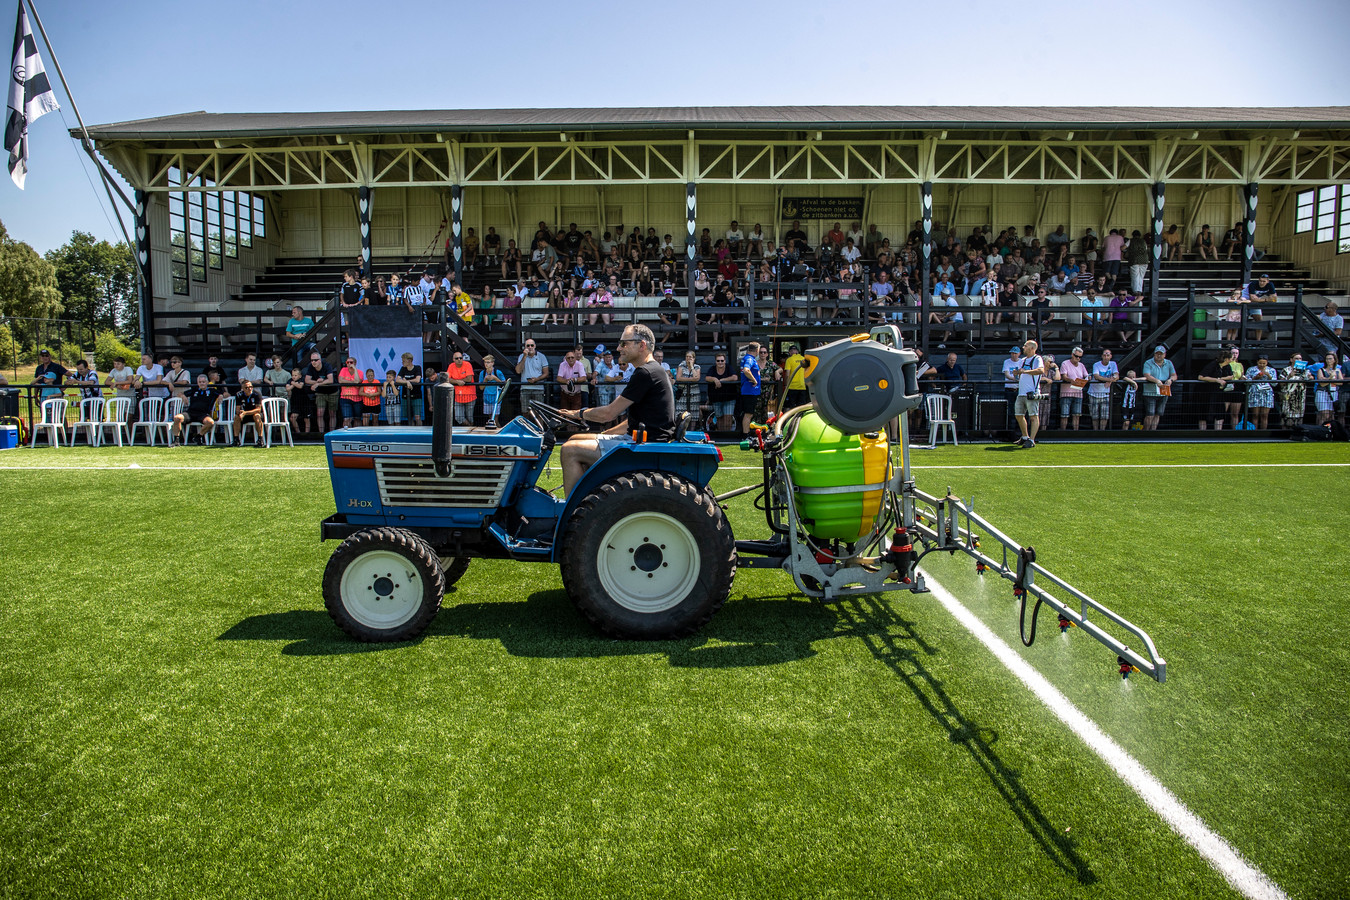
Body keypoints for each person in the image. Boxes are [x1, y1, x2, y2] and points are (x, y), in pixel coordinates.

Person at [560, 324, 675, 497]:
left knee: (569, 450)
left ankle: (571, 512)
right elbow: (633, 420)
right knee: (576, 438)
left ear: (641, 345)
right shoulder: (651, 370)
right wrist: (604, 435)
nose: (618, 348)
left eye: (624, 343)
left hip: (644, 447)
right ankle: (588, 500)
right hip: (642, 440)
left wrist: (577, 414)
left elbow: (608, 414)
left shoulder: (646, 372)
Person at [1197, 348, 1240, 430]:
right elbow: (1201, 377)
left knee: (1220, 413)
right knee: (1204, 413)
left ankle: (1218, 432)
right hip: (1207, 393)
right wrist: (1216, 380)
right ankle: (1202, 433)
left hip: (1219, 393)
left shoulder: (1227, 366)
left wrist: (1220, 378)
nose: (1232, 359)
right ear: (1226, 359)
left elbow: (1231, 376)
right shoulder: (1213, 364)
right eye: (1230, 358)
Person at [171, 374, 220, 446]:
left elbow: (225, 394)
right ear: (197, 383)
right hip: (190, 413)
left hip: (203, 414)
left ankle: (198, 436)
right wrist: (183, 396)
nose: (202, 384)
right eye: (200, 382)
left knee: (210, 422)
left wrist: (221, 396)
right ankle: (176, 440)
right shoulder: (194, 390)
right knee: (177, 418)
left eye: (203, 382)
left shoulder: (212, 391)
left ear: (207, 382)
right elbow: (180, 393)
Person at [1014, 340, 1045, 448]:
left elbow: (1041, 370)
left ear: (1032, 348)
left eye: (1025, 346)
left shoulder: (1037, 359)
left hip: (1032, 392)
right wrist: (1016, 373)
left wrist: (1024, 372)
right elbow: (1019, 374)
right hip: (1021, 392)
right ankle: (1024, 436)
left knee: (1033, 416)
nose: (1023, 347)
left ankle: (1032, 440)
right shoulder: (1022, 360)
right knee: (1018, 415)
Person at [1141, 345, 1177, 431]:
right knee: (1150, 413)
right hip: (1150, 392)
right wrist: (1156, 381)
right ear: (1154, 354)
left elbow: (1174, 375)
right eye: (1157, 354)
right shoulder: (1148, 363)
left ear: (1164, 354)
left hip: (1164, 391)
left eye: (1161, 354)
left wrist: (1170, 380)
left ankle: (1153, 432)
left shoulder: (1169, 363)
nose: (1159, 355)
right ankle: (1145, 433)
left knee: (1158, 413)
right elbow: (1147, 375)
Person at [304, 350, 337, 433]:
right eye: (312, 360)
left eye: (315, 360)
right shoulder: (310, 367)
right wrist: (317, 382)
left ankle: (331, 433)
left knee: (332, 413)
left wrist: (318, 384)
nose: (313, 362)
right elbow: (307, 380)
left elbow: (330, 380)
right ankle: (321, 433)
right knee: (319, 413)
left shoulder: (327, 366)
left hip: (332, 392)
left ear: (320, 360)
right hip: (321, 392)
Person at [704, 353, 738, 432]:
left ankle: (727, 435)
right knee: (719, 418)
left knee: (728, 418)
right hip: (716, 398)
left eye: (722, 360)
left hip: (729, 397)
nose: (720, 362)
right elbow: (707, 378)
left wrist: (722, 380)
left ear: (725, 361)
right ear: (715, 361)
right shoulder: (712, 369)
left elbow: (735, 377)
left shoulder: (729, 368)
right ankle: (720, 434)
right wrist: (715, 379)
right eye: (718, 361)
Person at [1058, 348, 1089, 431]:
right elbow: (1064, 376)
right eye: (1076, 356)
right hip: (1066, 393)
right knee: (1064, 415)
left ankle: (1076, 433)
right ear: (1072, 354)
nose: (1078, 358)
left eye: (1080, 357)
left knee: (1077, 415)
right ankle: (1062, 433)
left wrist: (1088, 378)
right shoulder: (1065, 363)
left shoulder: (1081, 365)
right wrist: (1070, 380)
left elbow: (1086, 375)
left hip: (1078, 393)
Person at [1088, 348, 1118, 431]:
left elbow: (1117, 375)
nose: (1106, 356)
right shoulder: (1096, 364)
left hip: (1106, 393)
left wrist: (1111, 380)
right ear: (1102, 356)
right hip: (1094, 393)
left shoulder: (1113, 364)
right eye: (1104, 355)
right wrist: (1109, 380)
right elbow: (1097, 376)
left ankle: (1102, 431)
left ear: (1111, 356)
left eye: (1108, 355)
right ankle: (1095, 431)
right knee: (1095, 416)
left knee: (1104, 416)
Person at [516, 339, 550, 412]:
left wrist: (536, 379)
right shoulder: (521, 356)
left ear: (535, 346)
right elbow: (518, 371)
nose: (530, 347)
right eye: (528, 345)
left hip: (538, 388)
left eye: (532, 345)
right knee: (525, 412)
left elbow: (546, 373)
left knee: (539, 412)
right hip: (525, 388)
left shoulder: (541, 356)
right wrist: (524, 357)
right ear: (525, 347)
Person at [1278, 353, 1311, 428]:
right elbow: (1281, 383)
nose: (1299, 360)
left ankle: (1298, 432)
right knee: (1287, 415)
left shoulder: (1305, 370)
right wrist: (1289, 376)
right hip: (1288, 396)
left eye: (1300, 359)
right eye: (1296, 358)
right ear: (1291, 359)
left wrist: (1310, 377)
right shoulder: (1286, 370)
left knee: (1299, 415)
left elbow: (1309, 379)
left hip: (1300, 396)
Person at [1245, 353, 1276, 430]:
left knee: (1264, 415)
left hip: (1267, 393)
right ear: (1257, 362)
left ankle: (1263, 431)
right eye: (1260, 363)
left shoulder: (1271, 370)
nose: (1262, 365)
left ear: (1267, 362)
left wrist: (1268, 376)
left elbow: (1275, 383)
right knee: (1255, 414)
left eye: (1264, 363)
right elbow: (1246, 382)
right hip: (1255, 392)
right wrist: (1255, 377)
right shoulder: (1251, 369)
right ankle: (1254, 432)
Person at [444, 352, 476, 425]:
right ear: (453, 359)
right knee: (458, 417)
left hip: (470, 395)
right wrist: (457, 381)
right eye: (457, 358)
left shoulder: (467, 364)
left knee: (470, 418)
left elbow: (469, 379)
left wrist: (457, 381)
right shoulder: (451, 366)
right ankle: (469, 428)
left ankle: (469, 430)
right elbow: (447, 379)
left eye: (460, 358)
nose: (459, 360)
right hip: (458, 396)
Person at [232, 379, 265, 447]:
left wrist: (245, 413)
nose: (249, 389)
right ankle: (236, 440)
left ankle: (260, 439)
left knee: (257, 416)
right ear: (242, 388)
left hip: (253, 413)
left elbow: (258, 409)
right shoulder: (239, 395)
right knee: (236, 417)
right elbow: (237, 409)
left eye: (251, 387)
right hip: (244, 414)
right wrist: (240, 413)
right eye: (246, 388)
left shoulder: (257, 394)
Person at [738, 341, 761, 436]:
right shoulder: (750, 359)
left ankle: (746, 434)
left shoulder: (747, 358)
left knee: (749, 414)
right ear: (757, 350)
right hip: (750, 391)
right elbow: (746, 370)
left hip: (749, 391)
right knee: (748, 414)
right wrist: (754, 380)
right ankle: (745, 435)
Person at [1314, 352, 1343, 425]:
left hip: (1333, 393)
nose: (1328, 360)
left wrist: (1327, 380)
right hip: (1322, 393)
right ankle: (1321, 430)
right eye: (1327, 359)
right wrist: (1330, 378)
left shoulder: (1337, 370)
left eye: (1330, 359)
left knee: (1330, 415)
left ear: (1334, 360)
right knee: (1324, 414)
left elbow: (1341, 382)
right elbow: (1322, 384)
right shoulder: (1321, 370)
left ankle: (1330, 432)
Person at [396, 352, 423, 426]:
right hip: (406, 396)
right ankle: (412, 431)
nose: (402, 362)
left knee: (417, 417)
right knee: (409, 417)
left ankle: (420, 431)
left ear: (409, 360)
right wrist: (407, 382)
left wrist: (406, 381)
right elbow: (397, 380)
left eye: (404, 361)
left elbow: (417, 380)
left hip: (416, 396)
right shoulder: (403, 369)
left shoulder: (417, 368)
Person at [479, 355, 505, 426]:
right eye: (485, 362)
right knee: (490, 417)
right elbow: (481, 388)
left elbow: (504, 384)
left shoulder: (498, 372)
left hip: (496, 397)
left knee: (495, 419)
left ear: (492, 363)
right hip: (487, 397)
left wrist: (495, 378)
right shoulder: (482, 373)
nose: (486, 364)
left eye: (488, 362)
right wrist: (485, 380)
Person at [337, 356, 362, 428]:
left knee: (357, 419)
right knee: (347, 419)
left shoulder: (360, 372)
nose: (349, 364)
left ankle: (356, 434)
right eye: (347, 362)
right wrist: (352, 382)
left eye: (351, 362)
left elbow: (357, 382)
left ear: (355, 363)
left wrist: (355, 370)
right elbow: (340, 380)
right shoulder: (343, 370)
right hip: (345, 398)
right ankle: (346, 434)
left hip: (357, 398)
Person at [674, 350, 701, 415]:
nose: (688, 358)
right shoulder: (681, 366)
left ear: (694, 358)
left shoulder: (697, 367)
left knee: (693, 414)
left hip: (694, 394)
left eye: (690, 357)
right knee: (679, 413)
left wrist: (692, 367)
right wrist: (691, 379)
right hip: (683, 393)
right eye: (687, 357)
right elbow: (678, 378)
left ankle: (693, 425)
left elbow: (697, 378)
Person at [782, 345, 809, 409]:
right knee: (801, 406)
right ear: (797, 351)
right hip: (802, 386)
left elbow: (787, 374)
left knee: (792, 406)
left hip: (792, 386)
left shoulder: (789, 360)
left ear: (790, 352)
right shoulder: (804, 359)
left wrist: (786, 384)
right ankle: (800, 418)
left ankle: (793, 418)